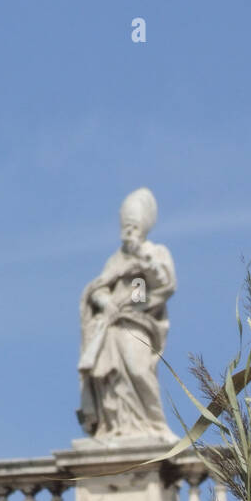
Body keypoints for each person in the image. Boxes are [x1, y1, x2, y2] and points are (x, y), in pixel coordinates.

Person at [77, 188, 176, 440]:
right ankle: (115, 426)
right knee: (112, 375)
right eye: (127, 226)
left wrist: (141, 259)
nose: (129, 231)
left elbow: (163, 284)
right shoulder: (115, 259)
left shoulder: (156, 252)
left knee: (138, 369)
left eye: (134, 226)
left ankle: (154, 424)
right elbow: (98, 288)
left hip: (136, 322)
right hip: (112, 326)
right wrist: (106, 301)